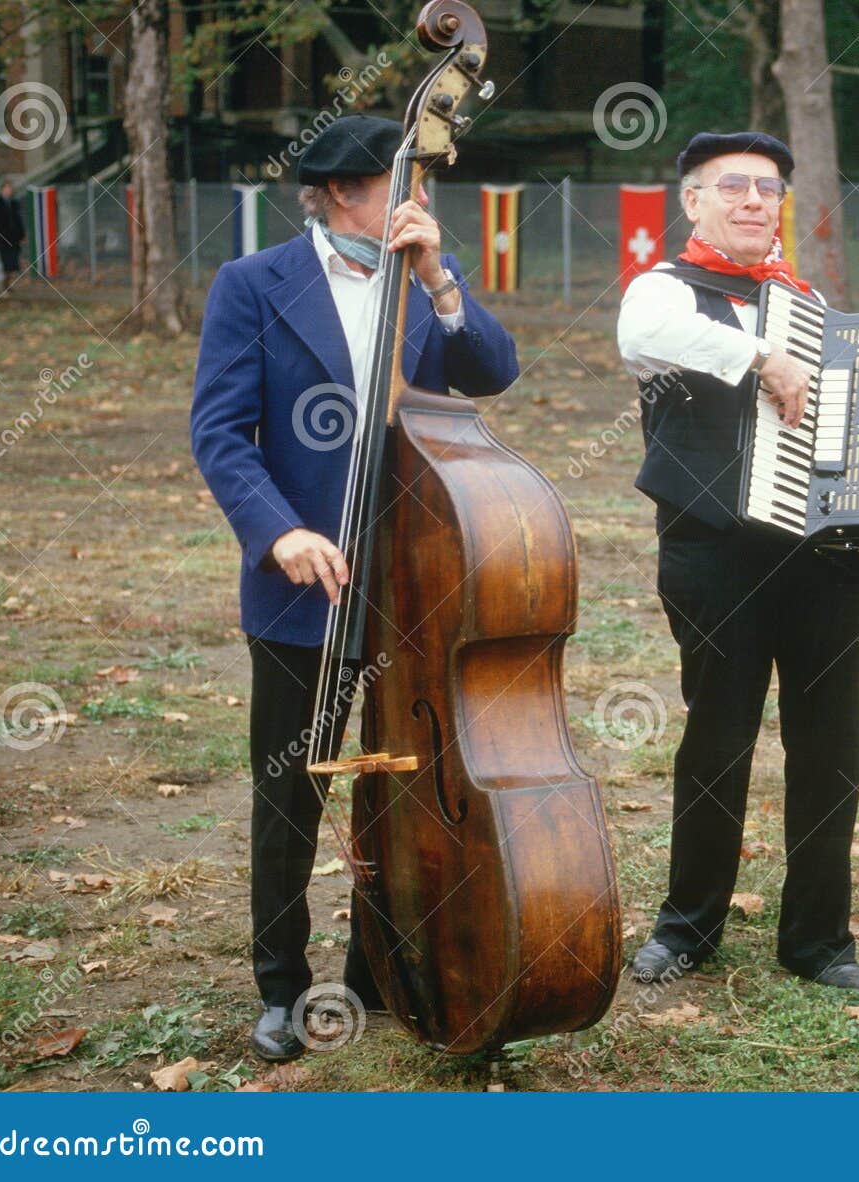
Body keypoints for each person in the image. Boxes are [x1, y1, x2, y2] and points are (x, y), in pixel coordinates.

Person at [618, 130, 859, 991]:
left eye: (770, 189)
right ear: (694, 202)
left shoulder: (816, 311)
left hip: (820, 557)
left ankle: (820, 939)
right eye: (734, 187)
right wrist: (760, 355)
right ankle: (687, 929)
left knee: (829, 745)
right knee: (717, 740)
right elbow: (644, 332)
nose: (756, 201)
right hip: (712, 552)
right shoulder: (665, 290)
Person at [190, 115, 518, 1061]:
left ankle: (383, 965)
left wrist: (440, 281)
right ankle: (279, 984)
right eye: (397, 185)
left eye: (423, 185)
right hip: (310, 584)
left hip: (424, 575)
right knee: (290, 787)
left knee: (413, 783)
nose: (418, 203)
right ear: (339, 192)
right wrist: (278, 530)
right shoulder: (252, 285)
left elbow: (492, 371)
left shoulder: (422, 279)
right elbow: (220, 431)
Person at [0, 180, 26, 294]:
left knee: (14, 263)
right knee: (6, 262)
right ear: (2, 190)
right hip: (2, 238)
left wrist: (23, 235)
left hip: (14, 238)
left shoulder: (14, 203)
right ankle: (6, 285)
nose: (8, 191)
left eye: (10, 189)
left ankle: (7, 283)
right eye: (6, 188)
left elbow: (18, 220)